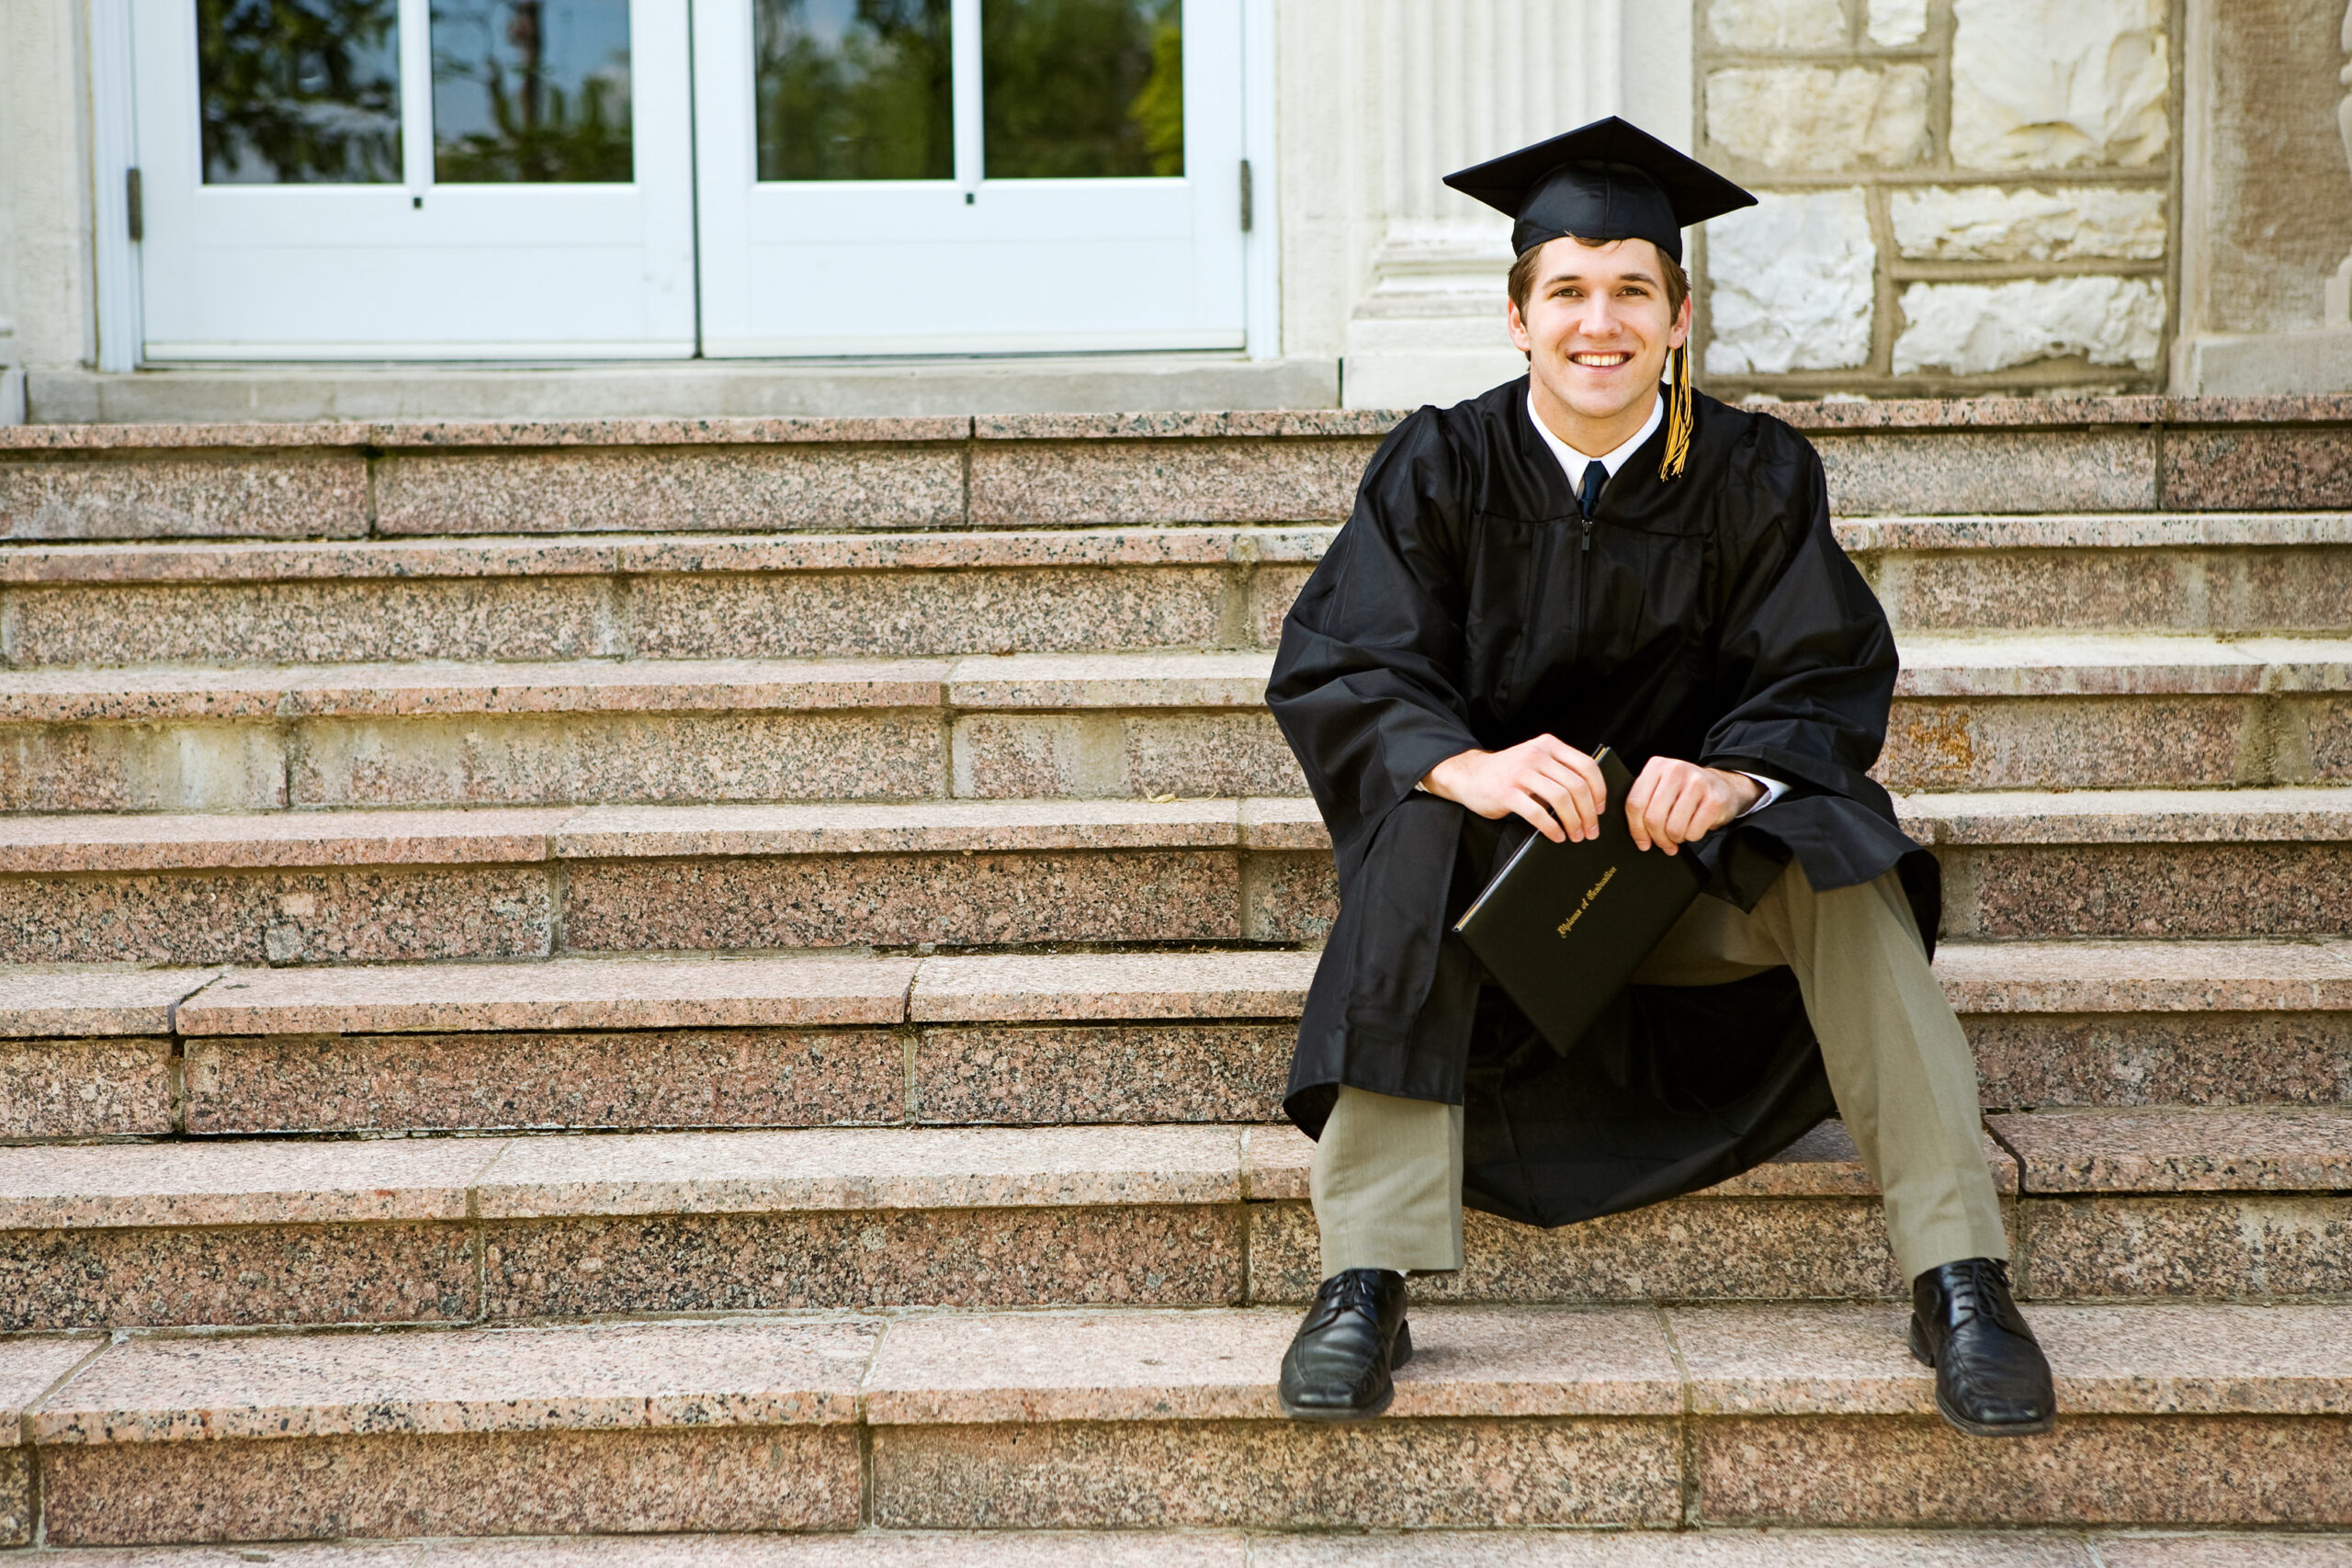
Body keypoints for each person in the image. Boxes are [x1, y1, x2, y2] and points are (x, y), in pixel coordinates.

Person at [1265, 117, 2055, 1438]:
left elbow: (1821, 674)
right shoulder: (1439, 467)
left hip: (1690, 903)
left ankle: (1959, 1274)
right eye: (1566, 290)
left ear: (1679, 317)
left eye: (1632, 288)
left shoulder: (1755, 476)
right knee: (1415, 821)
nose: (1599, 321)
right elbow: (1347, 663)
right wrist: (1469, 765)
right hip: (1495, 921)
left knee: (1840, 855)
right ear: (1518, 317)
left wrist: (1737, 778)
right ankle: (1364, 1275)